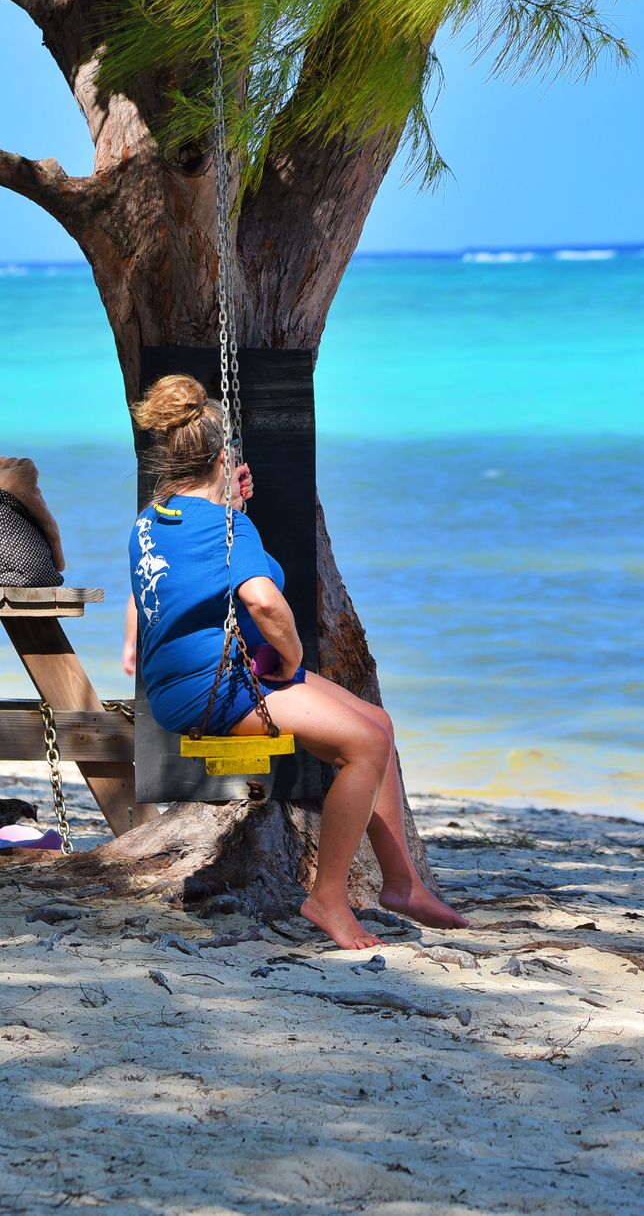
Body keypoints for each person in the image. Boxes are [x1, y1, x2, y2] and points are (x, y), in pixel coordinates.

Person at [126, 375, 467, 950]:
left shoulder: (150, 522)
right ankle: (327, 898)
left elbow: (180, 574)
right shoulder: (229, 527)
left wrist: (222, 501)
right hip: (219, 692)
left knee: (377, 723)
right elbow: (262, 600)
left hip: (189, 686)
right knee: (365, 747)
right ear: (222, 456)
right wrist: (293, 653)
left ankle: (403, 884)